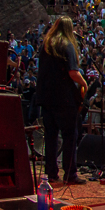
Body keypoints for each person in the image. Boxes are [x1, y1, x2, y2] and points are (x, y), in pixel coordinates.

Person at [36, 17, 88, 184]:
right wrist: (84, 83)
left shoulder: (46, 46)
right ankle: (70, 173)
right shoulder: (67, 45)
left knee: (51, 136)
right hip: (64, 99)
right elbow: (73, 72)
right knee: (69, 136)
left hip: (46, 98)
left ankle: (51, 173)